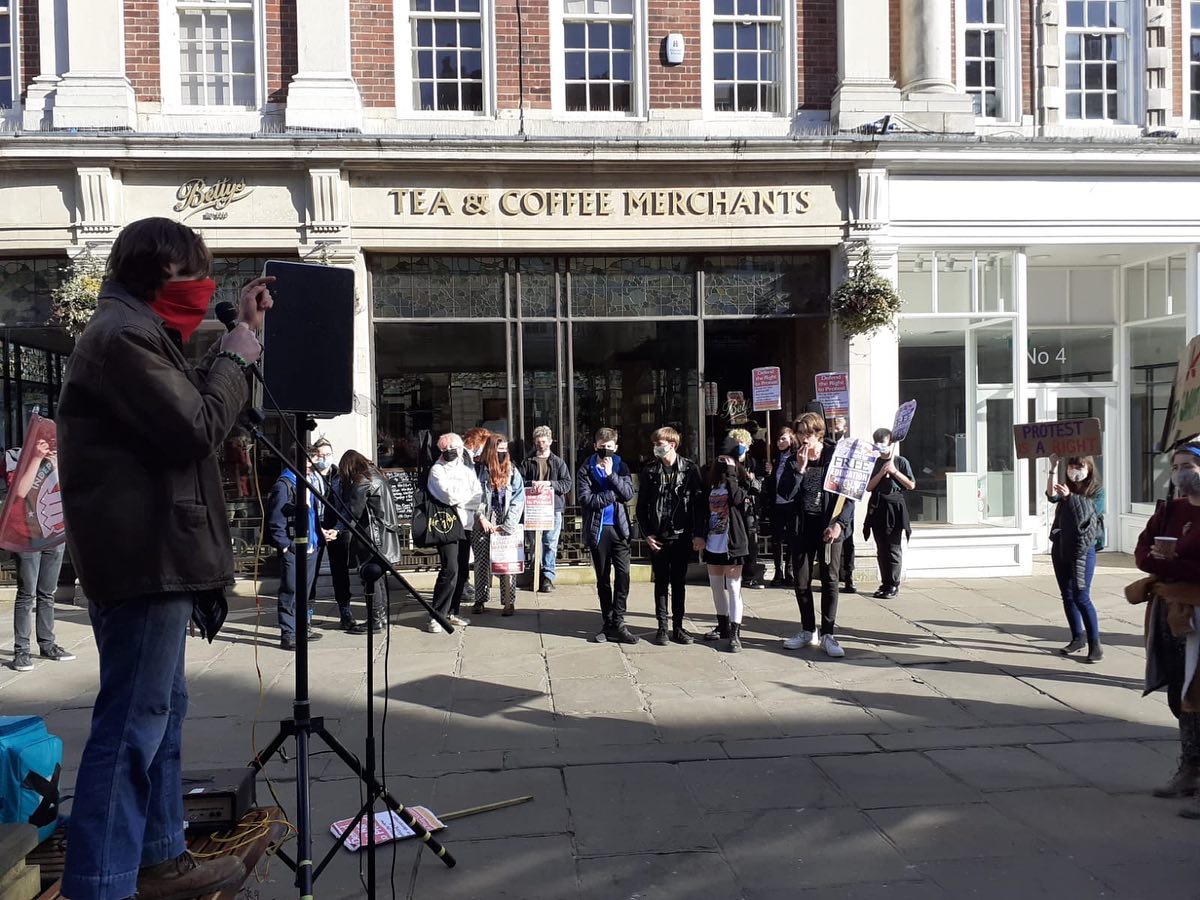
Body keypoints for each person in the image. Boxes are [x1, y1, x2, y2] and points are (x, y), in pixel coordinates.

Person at [57, 217, 267, 899]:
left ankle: (158, 860)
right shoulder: (121, 336)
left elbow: (180, 410)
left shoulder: (137, 333)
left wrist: (238, 341)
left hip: (154, 556)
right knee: (130, 734)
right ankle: (103, 883)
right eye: (194, 273)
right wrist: (235, 357)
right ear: (159, 272)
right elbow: (195, 427)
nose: (203, 289)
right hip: (146, 559)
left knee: (160, 716)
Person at [1134, 443, 1200, 818]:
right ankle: (1190, 769)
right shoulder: (1169, 511)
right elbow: (1143, 549)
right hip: (1171, 611)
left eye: (1189, 465)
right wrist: (1156, 560)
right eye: (1176, 467)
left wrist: (1179, 567)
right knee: (1180, 694)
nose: (1182, 473)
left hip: (1198, 608)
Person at [782, 412, 855, 658]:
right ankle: (807, 630)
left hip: (829, 525)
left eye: (808, 434)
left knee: (829, 578)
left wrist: (840, 525)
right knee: (801, 580)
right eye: (800, 433)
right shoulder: (794, 459)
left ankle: (828, 634)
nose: (804, 438)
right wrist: (800, 470)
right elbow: (784, 493)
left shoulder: (835, 457)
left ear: (818, 434)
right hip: (803, 526)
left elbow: (850, 494)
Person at [7, 437, 73, 672]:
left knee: (47, 593)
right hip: (27, 536)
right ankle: (21, 651)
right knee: (27, 594)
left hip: (54, 536)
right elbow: (21, 491)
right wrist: (36, 457)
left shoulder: (61, 460)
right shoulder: (18, 459)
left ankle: (48, 644)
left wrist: (56, 463)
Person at [637, 426, 704, 645]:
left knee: (678, 582)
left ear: (672, 445)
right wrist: (647, 534)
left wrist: (698, 534)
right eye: (655, 444)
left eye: (659, 444)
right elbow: (641, 507)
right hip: (658, 535)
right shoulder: (650, 471)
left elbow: (699, 505)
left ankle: (678, 627)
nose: (656, 447)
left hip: (681, 534)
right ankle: (662, 628)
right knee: (660, 582)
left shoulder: (689, 469)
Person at [577, 427, 638, 643]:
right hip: (599, 529)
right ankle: (608, 622)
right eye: (602, 448)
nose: (605, 452)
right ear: (595, 447)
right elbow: (586, 500)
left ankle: (619, 621)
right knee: (603, 579)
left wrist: (611, 474)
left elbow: (629, 494)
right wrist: (612, 494)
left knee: (623, 575)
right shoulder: (586, 468)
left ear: (616, 447)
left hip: (619, 529)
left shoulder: (621, 466)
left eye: (609, 448)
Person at [695, 439, 753, 653]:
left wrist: (731, 473)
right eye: (720, 459)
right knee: (716, 586)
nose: (722, 463)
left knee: (734, 586)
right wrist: (699, 536)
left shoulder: (740, 480)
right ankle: (723, 625)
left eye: (727, 459)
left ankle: (736, 633)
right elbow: (701, 510)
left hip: (733, 542)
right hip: (714, 542)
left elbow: (738, 499)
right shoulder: (709, 482)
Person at [1046, 453, 1104, 662]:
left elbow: (1088, 513)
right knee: (1067, 594)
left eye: (1079, 466)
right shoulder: (1065, 487)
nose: (1074, 470)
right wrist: (1053, 468)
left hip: (1083, 548)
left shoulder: (1097, 491)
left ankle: (1095, 643)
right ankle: (1077, 637)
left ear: (1089, 468)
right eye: (1071, 467)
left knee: (1081, 595)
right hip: (1062, 544)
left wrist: (1071, 497)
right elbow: (1051, 495)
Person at [338, 449, 403, 632]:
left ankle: (375, 620)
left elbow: (353, 511)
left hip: (372, 537)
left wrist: (338, 530)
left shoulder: (362, 481)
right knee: (378, 578)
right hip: (385, 535)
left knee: (370, 579)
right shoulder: (376, 475)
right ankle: (379, 619)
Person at [266, 458, 323, 651]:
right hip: (293, 548)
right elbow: (276, 520)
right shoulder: (284, 485)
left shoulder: (307, 483)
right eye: (307, 460)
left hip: (310, 546)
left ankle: (301, 629)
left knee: (304, 592)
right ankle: (288, 634)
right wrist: (285, 546)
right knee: (290, 590)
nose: (311, 465)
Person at [427, 432, 482, 628]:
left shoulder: (467, 471)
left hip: (466, 524)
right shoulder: (437, 471)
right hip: (447, 525)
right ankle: (437, 614)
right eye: (445, 450)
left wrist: (464, 496)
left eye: (453, 449)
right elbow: (447, 495)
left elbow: (477, 494)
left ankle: (453, 611)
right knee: (449, 569)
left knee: (461, 571)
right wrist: (465, 495)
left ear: (460, 449)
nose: (450, 452)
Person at [473, 433, 525, 617]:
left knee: (507, 562)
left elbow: (519, 499)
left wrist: (508, 524)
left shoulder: (512, 471)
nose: (503, 454)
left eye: (505, 450)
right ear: (490, 451)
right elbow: (472, 496)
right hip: (483, 521)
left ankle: (508, 602)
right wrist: (481, 517)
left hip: (505, 520)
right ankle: (480, 599)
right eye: (499, 450)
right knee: (481, 562)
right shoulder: (478, 469)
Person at [309, 438, 357, 631]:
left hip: (336, 529)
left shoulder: (340, 475)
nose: (324, 459)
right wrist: (318, 529)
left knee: (340, 572)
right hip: (315, 528)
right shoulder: (310, 476)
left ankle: (345, 611)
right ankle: (308, 613)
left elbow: (347, 504)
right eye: (320, 455)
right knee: (310, 572)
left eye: (327, 454)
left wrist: (337, 529)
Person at [519, 425, 572, 593]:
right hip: (533, 508)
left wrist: (549, 484)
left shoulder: (558, 462)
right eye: (538, 441)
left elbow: (567, 484)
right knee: (535, 543)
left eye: (544, 441)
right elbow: (518, 483)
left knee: (550, 543)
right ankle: (536, 575)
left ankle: (548, 577)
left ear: (550, 441)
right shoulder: (527, 462)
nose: (541, 445)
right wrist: (531, 484)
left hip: (553, 508)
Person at [865, 427, 915, 601]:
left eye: (883, 442)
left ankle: (894, 583)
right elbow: (868, 487)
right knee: (881, 547)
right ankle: (885, 582)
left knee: (893, 547)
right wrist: (881, 473)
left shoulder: (900, 461)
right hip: (878, 506)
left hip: (895, 507)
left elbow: (910, 484)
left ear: (890, 442)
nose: (880, 446)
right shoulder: (873, 462)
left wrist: (894, 471)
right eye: (877, 443)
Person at [729, 427, 766, 589]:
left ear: (748, 445)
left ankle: (749, 574)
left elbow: (759, 487)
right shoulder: (728, 462)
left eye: (742, 443)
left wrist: (751, 479)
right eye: (736, 443)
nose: (739, 446)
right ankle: (733, 573)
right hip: (732, 507)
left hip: (749, 506)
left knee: (751, 539)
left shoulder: (753, 463)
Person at [828, 415, 858, 594]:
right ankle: (836, 574)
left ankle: (849, 576)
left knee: (848, 541)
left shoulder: (850, 447)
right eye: (833, 424)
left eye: (838, 424)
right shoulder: (828, 446)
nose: (835, 427)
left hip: (846, 495)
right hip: (832, 499)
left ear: (845, 428)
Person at [764, 427, 797, 587]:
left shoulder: (796, 457)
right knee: (776, 539)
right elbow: (771, 483)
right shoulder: (775, 459)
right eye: (778, 439)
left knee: (790, 538)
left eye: (784, 439)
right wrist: (769, 473)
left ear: (791, 439)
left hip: (790, 504)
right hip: (776, 504)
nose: (780, 442)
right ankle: (778, 570)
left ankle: (789, 570)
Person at [462, 427, 491, 608]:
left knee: (466, 553)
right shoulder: (464, 458)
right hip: (465, 513)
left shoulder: (470, 459)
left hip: (469, 513)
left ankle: (465, 585)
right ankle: (464, 587)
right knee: (464, 553)